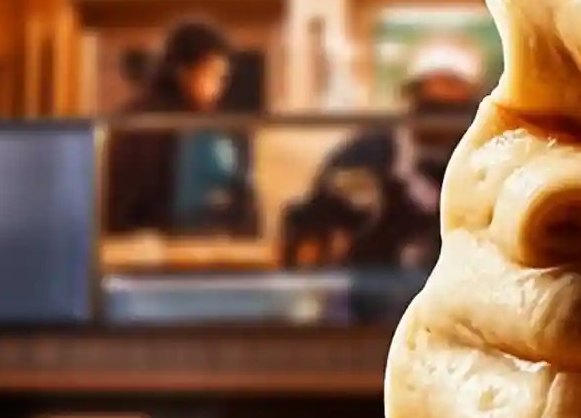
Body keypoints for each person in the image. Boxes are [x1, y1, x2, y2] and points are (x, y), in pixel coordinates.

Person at [280, 62, 480, 270]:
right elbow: (312, 229)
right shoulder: (364, 157)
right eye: (434, 107)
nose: (442, 120)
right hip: (369, 281)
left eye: (455, 109)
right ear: (413, 101)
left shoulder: (480, 162)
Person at [106, 20, 256, 235]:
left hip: (219, 241)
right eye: (211, 74)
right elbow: (124, 202)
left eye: (222, 77)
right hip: (153, 244)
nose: (219, 87)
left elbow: (243, 196)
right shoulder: (143, 122)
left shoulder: (225, 126)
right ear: (183, 72)